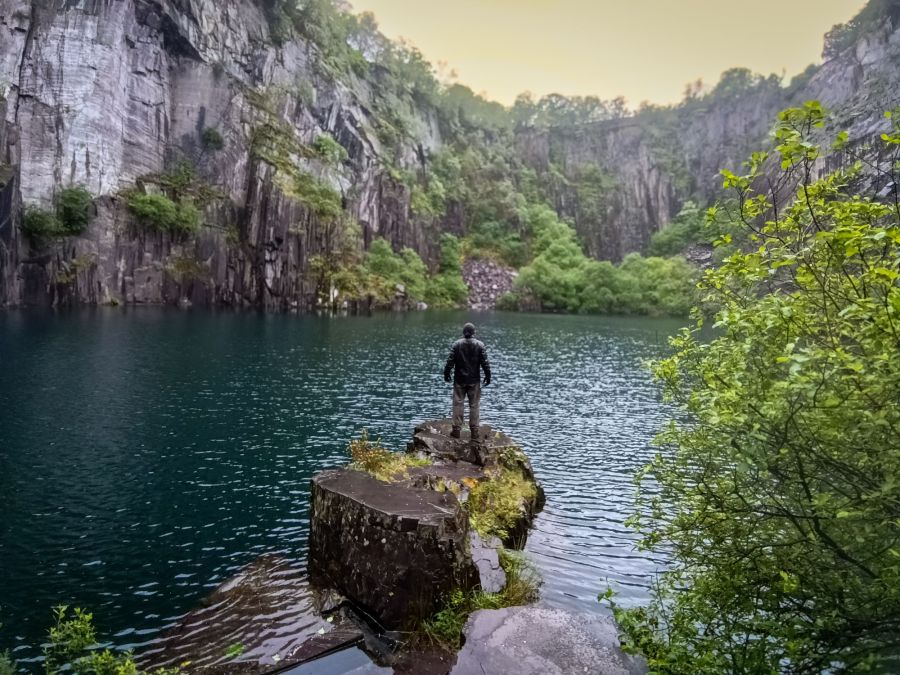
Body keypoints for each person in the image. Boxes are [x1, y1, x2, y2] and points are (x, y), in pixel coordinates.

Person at [443, 322, 491, 440]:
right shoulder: (480, 345)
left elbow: (450, 361)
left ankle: (456, 431)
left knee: (458, 404)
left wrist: (446, 373)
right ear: (474, 333)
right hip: (474, 381)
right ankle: (474, 432)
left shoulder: (456, 344)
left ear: (463, 333)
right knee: (474, 405)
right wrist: (488, 375)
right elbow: (485, 363)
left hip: (459, 380)